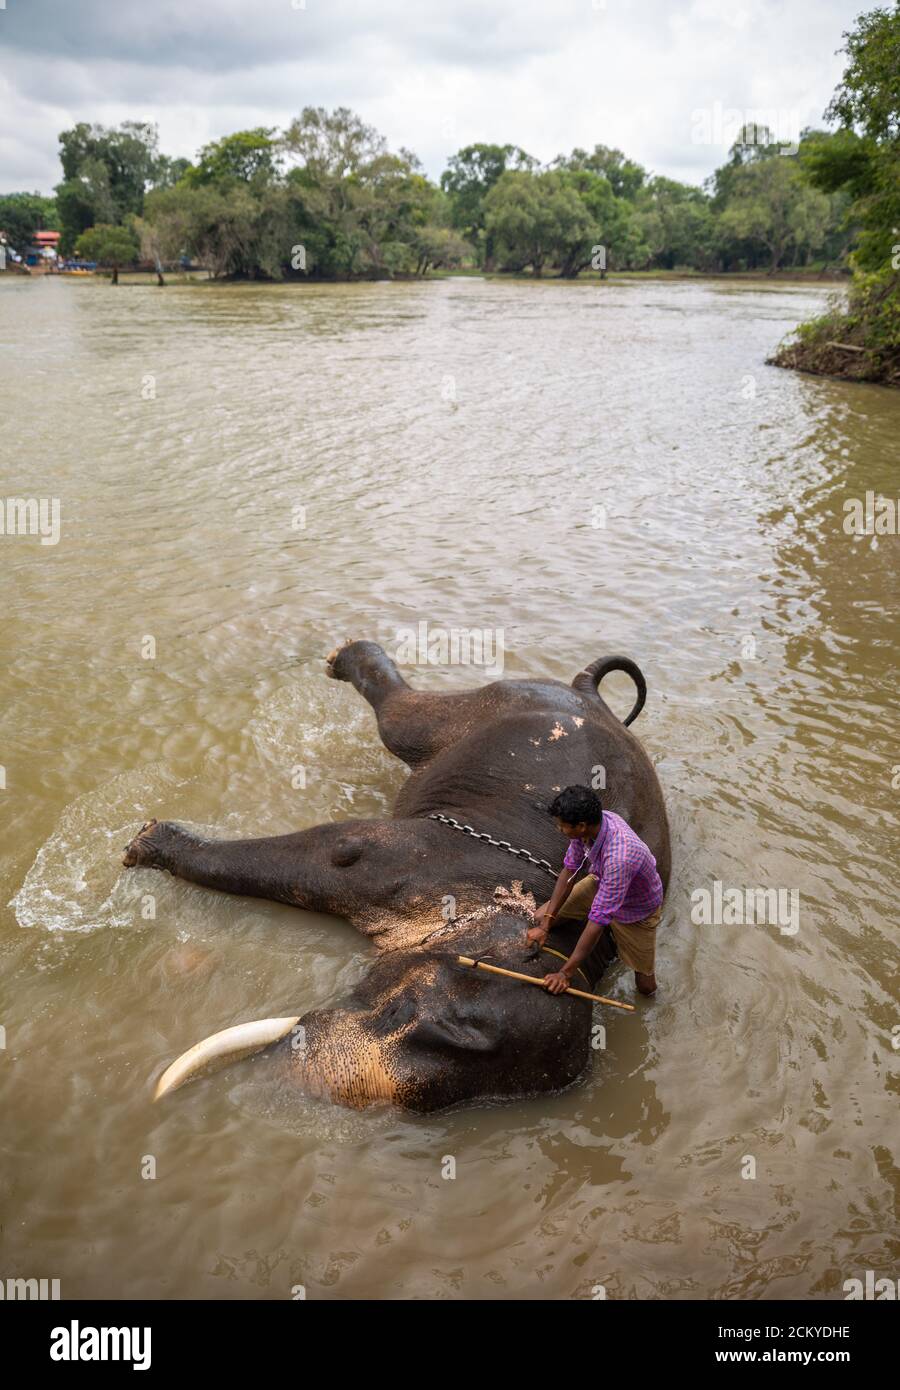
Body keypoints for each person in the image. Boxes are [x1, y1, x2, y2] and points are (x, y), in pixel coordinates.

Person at [527, 784, 663, 996]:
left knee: (646, 988)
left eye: (562, 826)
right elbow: (570, 870)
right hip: (601, 881)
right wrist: (545, 925)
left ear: (581, 826)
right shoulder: (592, 827)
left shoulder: (620, 856)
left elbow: (599, 919)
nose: (559, 830)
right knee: (539, 916)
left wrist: (565, 973)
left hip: (635, 910)